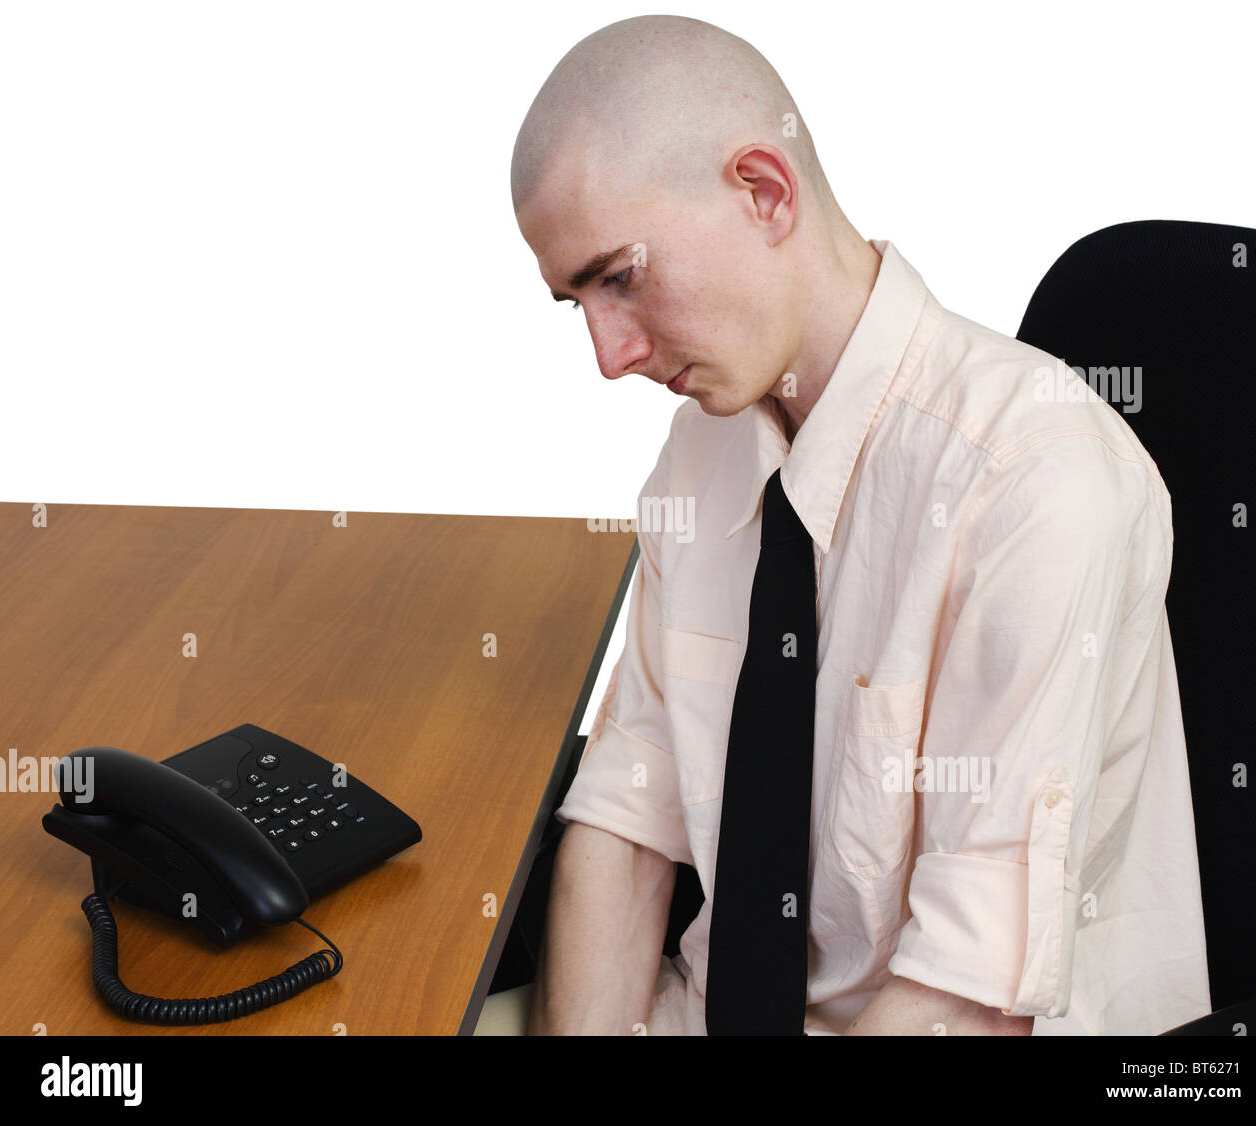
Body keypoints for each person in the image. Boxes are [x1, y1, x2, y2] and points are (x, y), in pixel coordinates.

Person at [485, 14, 1211, 1036]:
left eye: (621, 276)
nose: (607, 356)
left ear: (762, 192)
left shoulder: (1036, 481)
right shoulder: (707, 445)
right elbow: (625, 819)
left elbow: (966, 994)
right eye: (577, 302)